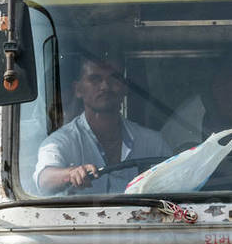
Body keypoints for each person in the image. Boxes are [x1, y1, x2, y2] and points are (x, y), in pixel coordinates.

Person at [35, 56, 171, 195]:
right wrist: (70, 174)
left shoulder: (153, 142)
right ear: (78, 89)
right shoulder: (62, 141)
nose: (105, 86)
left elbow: (174, 184)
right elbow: (44, 180)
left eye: (114, 78)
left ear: (125, 88)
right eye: (95, 79)